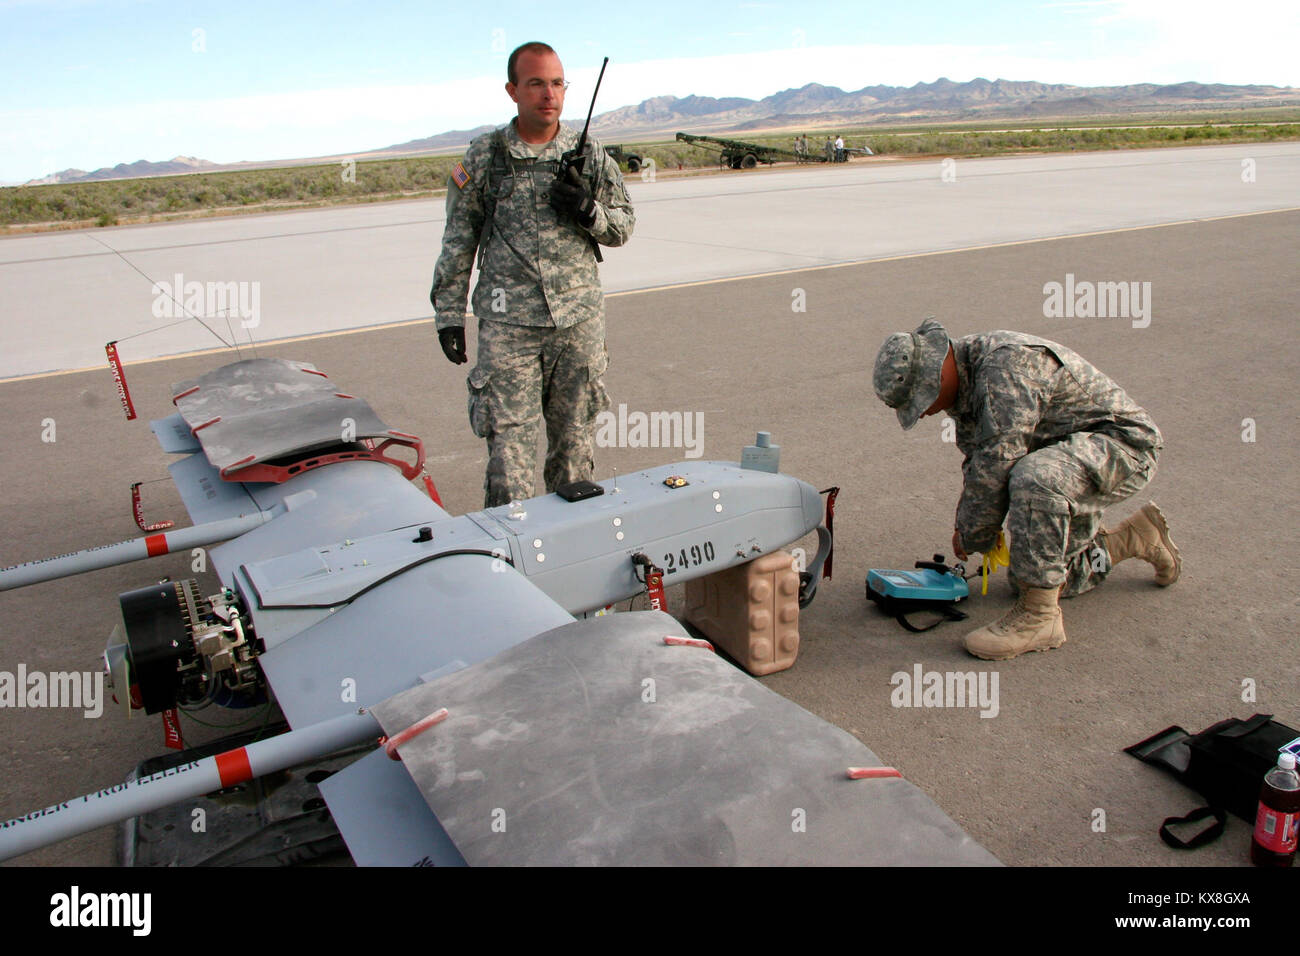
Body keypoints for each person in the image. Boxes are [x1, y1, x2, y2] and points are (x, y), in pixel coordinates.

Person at [871, 318, 1181, 660]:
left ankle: (1040, 618)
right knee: (1031, 574)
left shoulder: (1005, 367)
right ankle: (1134, 538)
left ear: (935, 377)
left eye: (920, 403)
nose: (926, 413)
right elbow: (978, 462)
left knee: (1033, 479)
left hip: (1124, 447)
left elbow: (997, 465)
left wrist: (976, 533)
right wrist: (967, 525)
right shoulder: (967, 377)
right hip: (1069, 455)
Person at [430, 42, 635, 507]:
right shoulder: (486, 157)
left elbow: (623, 227)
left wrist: (589, 211)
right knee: (509, 463)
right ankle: (506, 562)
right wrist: (448, 315)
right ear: (513, 90)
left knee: (574, 458)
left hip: (577, 324)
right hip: (510, 329)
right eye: (537, 83)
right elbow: (459, 239)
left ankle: (576, 561)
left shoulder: (591, 156)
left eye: (557, 83)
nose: (549, 94)